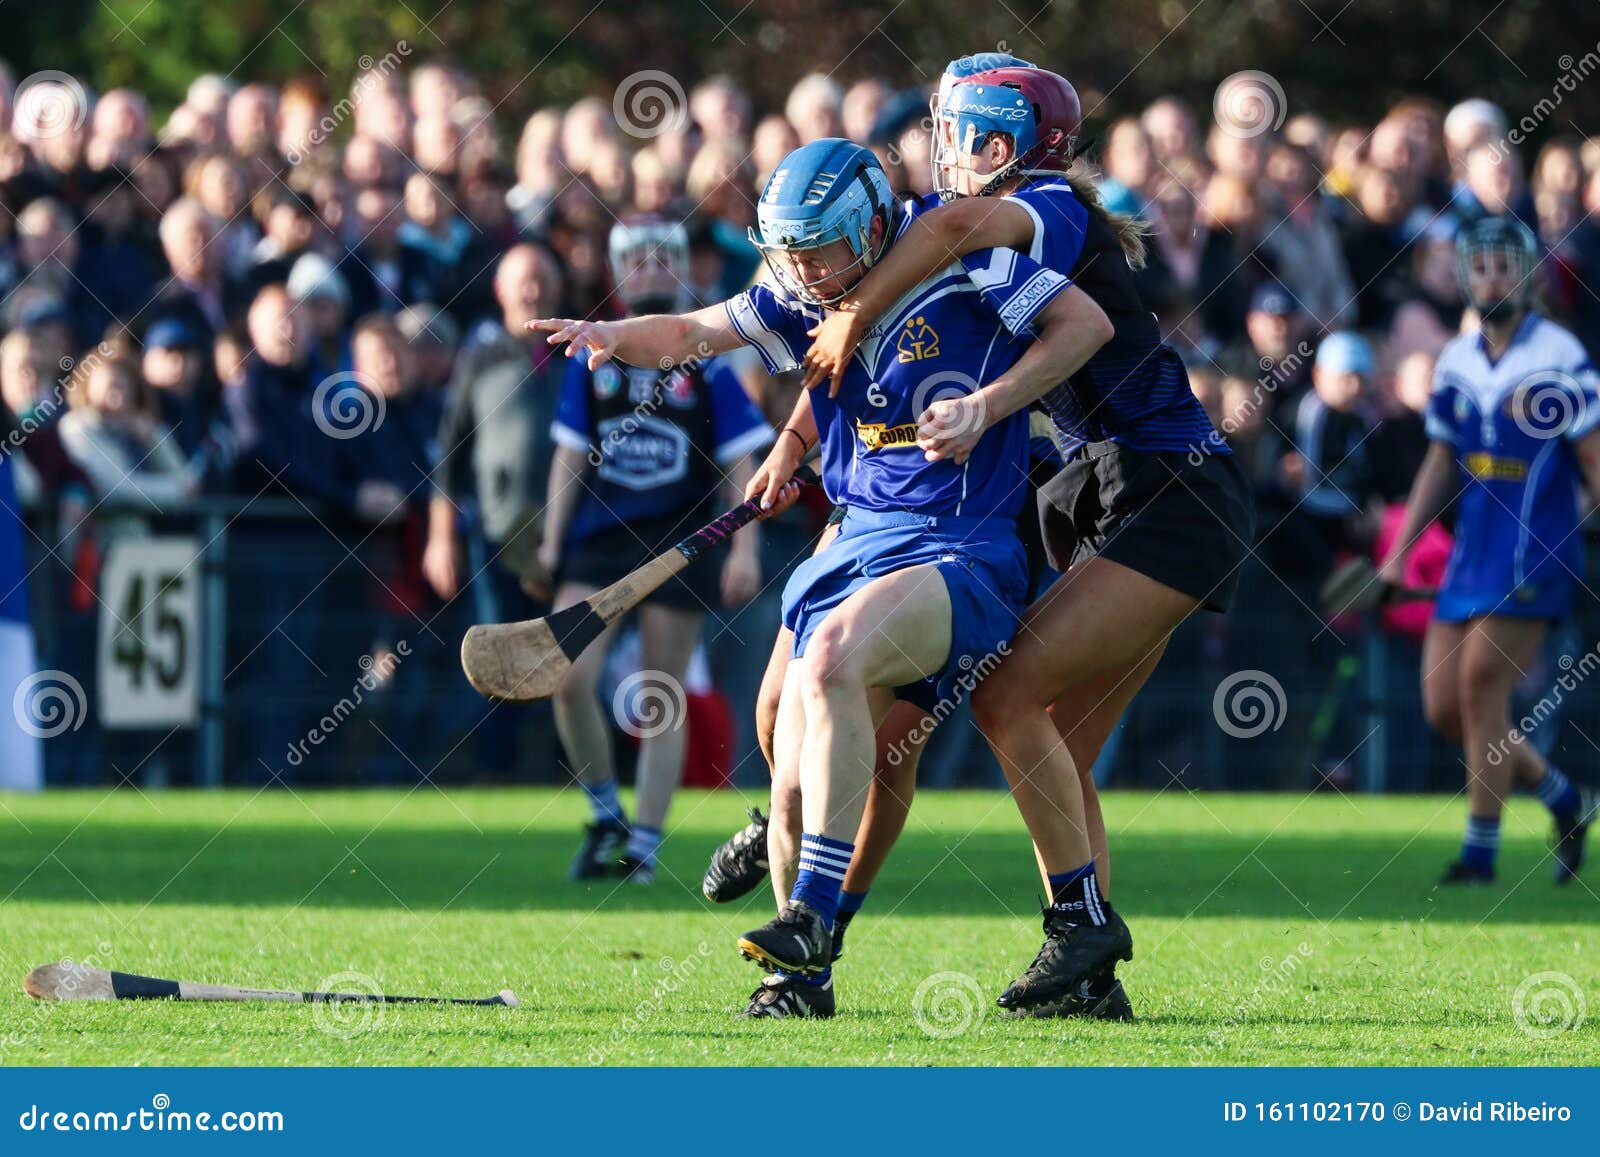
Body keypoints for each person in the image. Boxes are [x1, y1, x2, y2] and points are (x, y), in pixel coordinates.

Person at [535, 139, 1106, 1017]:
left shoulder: (969, 261)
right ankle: (798, 977)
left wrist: (990, 405)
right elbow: (693, 332)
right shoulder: (803, 293)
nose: (801, 272)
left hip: (960, 544)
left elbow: (1086, 327)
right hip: (854, 540)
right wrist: (614, 336)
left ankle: (813, 913)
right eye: (787, 252)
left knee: (834, 657)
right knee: (786, 752)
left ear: (873, 227)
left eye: (817, 251)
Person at [800, 65, 1252, 1017]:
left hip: (1164, 495)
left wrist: (855, 308)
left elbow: (952, 226)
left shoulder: (1036, 203)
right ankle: (1090, 971)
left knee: (1007, 697)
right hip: (1106, 493)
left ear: (999, 148)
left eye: (952, 135)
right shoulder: (1013, 221)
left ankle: (1079, 929)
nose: (938, 153)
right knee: (1061, 747)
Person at [536, 215, 772, 886]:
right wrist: (552, 541)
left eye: (659, 258)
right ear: (615, 271)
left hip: (675, 542)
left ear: (678, 269)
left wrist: (744, 548)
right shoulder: (592, 357)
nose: (647, 270)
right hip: (598, 541)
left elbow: (740, 462)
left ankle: (642, 845)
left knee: (660, 692)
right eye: (633, 259)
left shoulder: (705, 359)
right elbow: (568, 456)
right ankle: (606, 811)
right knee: (569, 677)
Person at [1379, 216, 1600, 885]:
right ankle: (1564, 794)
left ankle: (1479, 853)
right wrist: (1400, 552)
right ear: (1467, 275)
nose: (1493, 277)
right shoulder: (1458, 358)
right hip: (1471, 555)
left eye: (1507, 265)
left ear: (1528, 274)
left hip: (1537, 553)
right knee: (1445, 708)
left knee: (1481, 687)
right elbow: (1440, 463)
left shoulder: (1560, 353)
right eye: (1481, 266)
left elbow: (1592, 455)